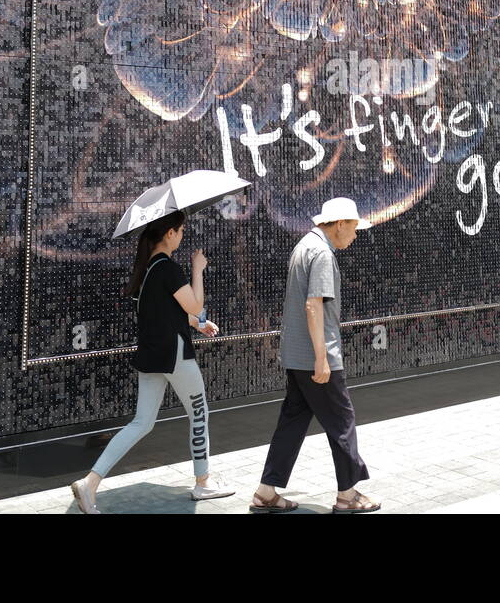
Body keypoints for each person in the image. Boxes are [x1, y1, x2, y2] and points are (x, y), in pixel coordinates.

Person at [70, 211, 235, 513]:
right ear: (169, 233)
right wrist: (198, 270)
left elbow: (169, 311)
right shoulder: (169, 269)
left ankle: (90, 483)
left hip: (151, 355)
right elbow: (195, 305)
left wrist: (198, 324)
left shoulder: (146, 270)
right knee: (199, 413)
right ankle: (203, 482)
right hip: (175, 355)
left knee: (141, 423)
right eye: (181, 230)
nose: (183, 235)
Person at [250, 197, 380, 514]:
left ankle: (267, 492)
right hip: (316, 357)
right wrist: (322, 358)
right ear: (338, 225)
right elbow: (313, 306)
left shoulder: (305, 246)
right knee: (342, 422)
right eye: (353, 227)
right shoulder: (321, 253)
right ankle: (348, 496)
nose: (355, 234)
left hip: (296, 356)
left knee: (293, 422)